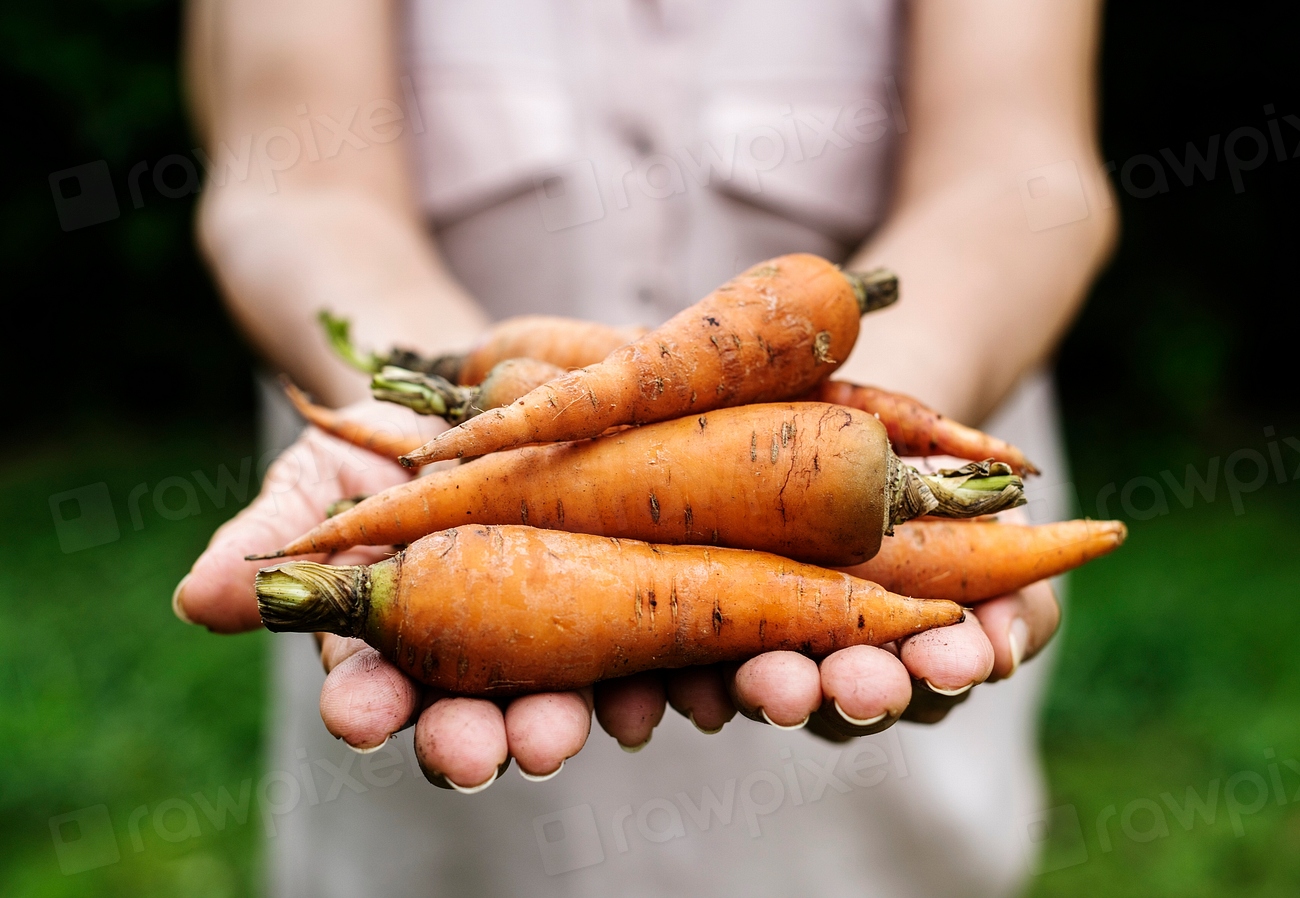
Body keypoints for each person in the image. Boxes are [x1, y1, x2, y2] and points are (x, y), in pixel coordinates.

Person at [176, 0, 1116, 894]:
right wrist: (440, 424)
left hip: (867, 812)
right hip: (446, 817)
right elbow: (293, 189)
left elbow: (1018, 179)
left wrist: (864, 423)